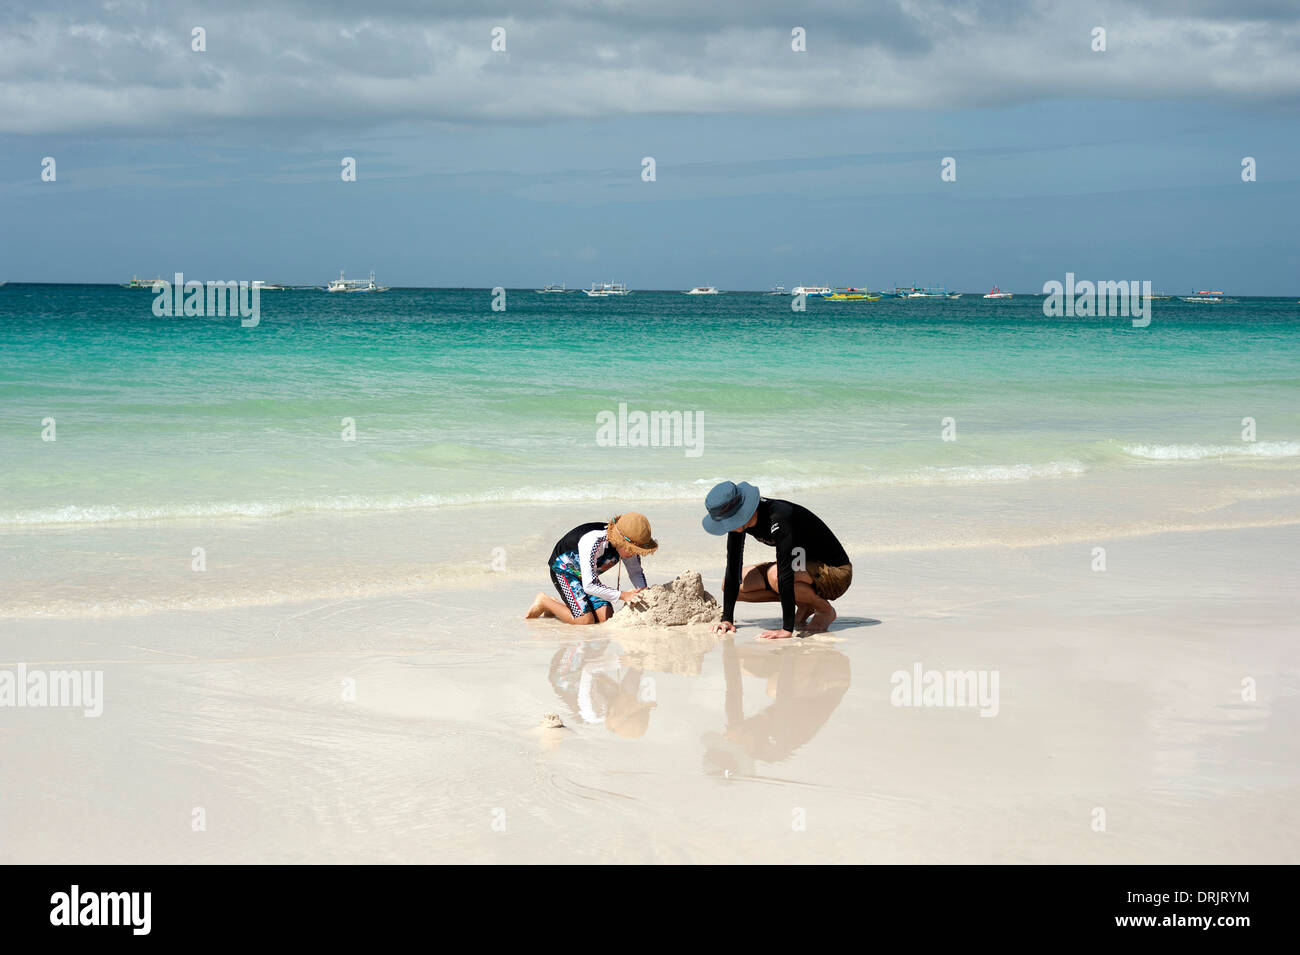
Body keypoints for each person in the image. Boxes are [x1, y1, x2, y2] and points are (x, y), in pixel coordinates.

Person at [701, 481, 851, 639]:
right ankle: (805, 604)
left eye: (729, 521)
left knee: (776, 576)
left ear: (741, 512)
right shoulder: (739, 524)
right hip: (801, 567)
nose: (727, 526)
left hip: (836, 572)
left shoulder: (779, 515)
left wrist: (786, 629)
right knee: (732, 586)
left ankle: (825, 610)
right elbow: (733, 565)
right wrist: (727, 619)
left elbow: (784, 571)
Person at [525, 513, 657, 624]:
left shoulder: (626, 547)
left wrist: (644, 592)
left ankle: (565, 606)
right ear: (620, 541)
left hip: (586, 576)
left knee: (606, 617)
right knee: (585, 621)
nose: (634, 554)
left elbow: (635, 572)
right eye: (632, 550)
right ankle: (546, 602)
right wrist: (624, 595)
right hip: (563, 570)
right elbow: (589, 586)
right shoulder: (593, 541)